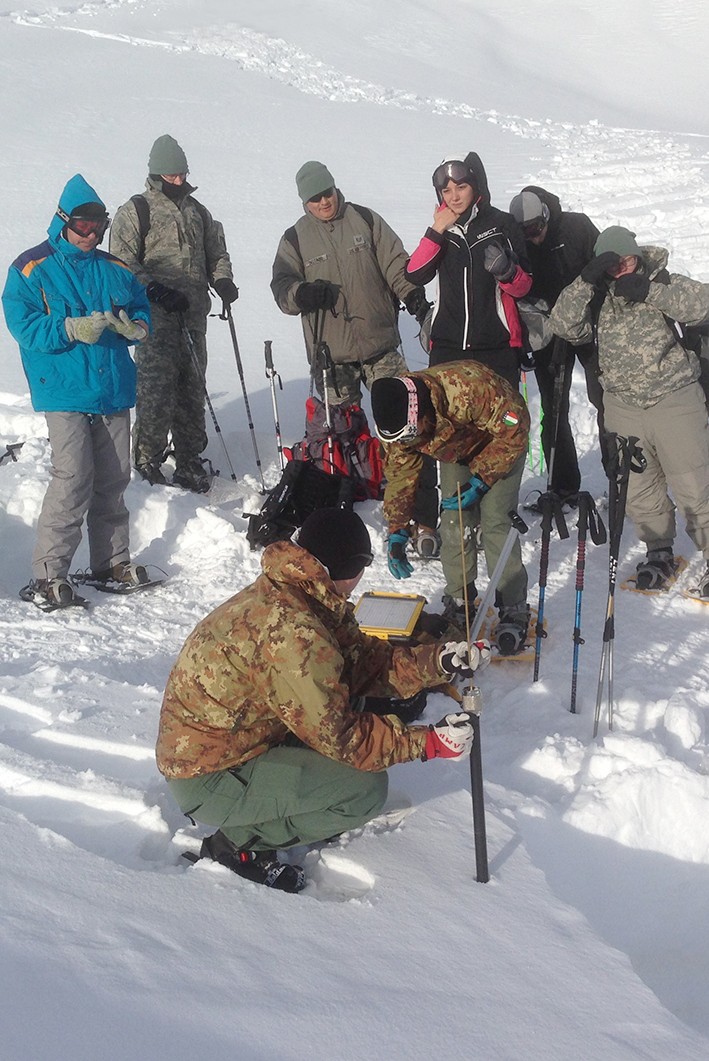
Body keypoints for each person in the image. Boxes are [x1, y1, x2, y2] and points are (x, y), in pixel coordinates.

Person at [156, 507, 489, 893]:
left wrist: (439, 661)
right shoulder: (295, 632)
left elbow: (362, 663)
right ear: (351, 569)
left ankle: (287, 808)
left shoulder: (300, 591)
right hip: (208, 777)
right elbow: (340, 737)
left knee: (354, 717)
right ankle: (238, 845)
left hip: (240, 741)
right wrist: (428, 743)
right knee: (362, 792)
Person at [270, 160, 439, 555]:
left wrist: (412, 296)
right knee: (336, 439)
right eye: (315, 198)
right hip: (331, 355)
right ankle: (339, 515)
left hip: (380, 346)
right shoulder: (295, 239)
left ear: (335, 188)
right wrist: (302, 293)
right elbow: (281, 288)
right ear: (304, 202)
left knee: (408, 426)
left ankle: (418, 517)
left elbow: (396, 263)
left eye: (327, 193)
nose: (323, 202)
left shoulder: (364, 219)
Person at [2, 173, 151, 611]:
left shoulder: (116, 268)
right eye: (83, 226)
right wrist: (69, 327)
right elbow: (24, 326)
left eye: (98, 226)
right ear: (63, 221)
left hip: (111, 387)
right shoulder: (31, 268)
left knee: (113, 480)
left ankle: (111, 563)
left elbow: (139, 307)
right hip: (64, 390)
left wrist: (137, 327)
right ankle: (49, 574)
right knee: (72, 479)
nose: (91, 235)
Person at [550, 225, 709, 596]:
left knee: (694, 482)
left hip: (674, 397)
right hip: (623, 405)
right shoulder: (595, 297)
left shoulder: (663, 280)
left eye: (626, 259)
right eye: (611, 263)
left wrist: (651, 292)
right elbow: (563, 325)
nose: (620, 268)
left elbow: (702, 305)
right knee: (639, 486)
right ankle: (659, 552)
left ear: (637, 255)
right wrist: (584, 281)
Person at [370, 364, 532, 655]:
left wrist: (481, 481)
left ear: (420, 415)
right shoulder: (396, 421)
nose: (406, 443)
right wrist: (397, 529)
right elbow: (401, 475)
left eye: (409, 435)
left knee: (496, 521)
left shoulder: (468, 390)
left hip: (501, 442)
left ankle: (513, 605)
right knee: (454, 521)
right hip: (456, 450)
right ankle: (460, 601)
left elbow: (515, 429)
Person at [110, 134, 238, 492]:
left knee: (192, 390)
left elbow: (217, 252)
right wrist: (154, 289)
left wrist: (223, 280)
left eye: (182, 173)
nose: (179, 180)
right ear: (157, 174)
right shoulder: (136, 210)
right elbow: (121, 261)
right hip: (153, 320)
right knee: (156, 390)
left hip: (193, 318)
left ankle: (189, 460)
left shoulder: (198, 212)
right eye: (171, 174)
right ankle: (147, 460)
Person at [509, 187, 605, 499]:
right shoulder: (518, 244)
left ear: (546, 216)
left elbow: (603, 268)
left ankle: (621, 477)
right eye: (526, 232)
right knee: (553, 409)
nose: (534, 237)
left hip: (588, 326)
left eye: (537, 228)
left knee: (606, 399)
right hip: (549, 330)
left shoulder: (577, 227)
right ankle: (563, 486)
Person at [406, 152, 532, 389]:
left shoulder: (502, 224)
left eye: (461, 187)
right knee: (449, 415)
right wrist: (438, 228)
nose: (454, 197)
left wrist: (507, 272)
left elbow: (525, 287)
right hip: (446, 349)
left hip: (497, 348)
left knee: (502, 414)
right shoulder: (442, 231)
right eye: (446, 191)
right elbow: (415, 274)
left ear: (475, 185)